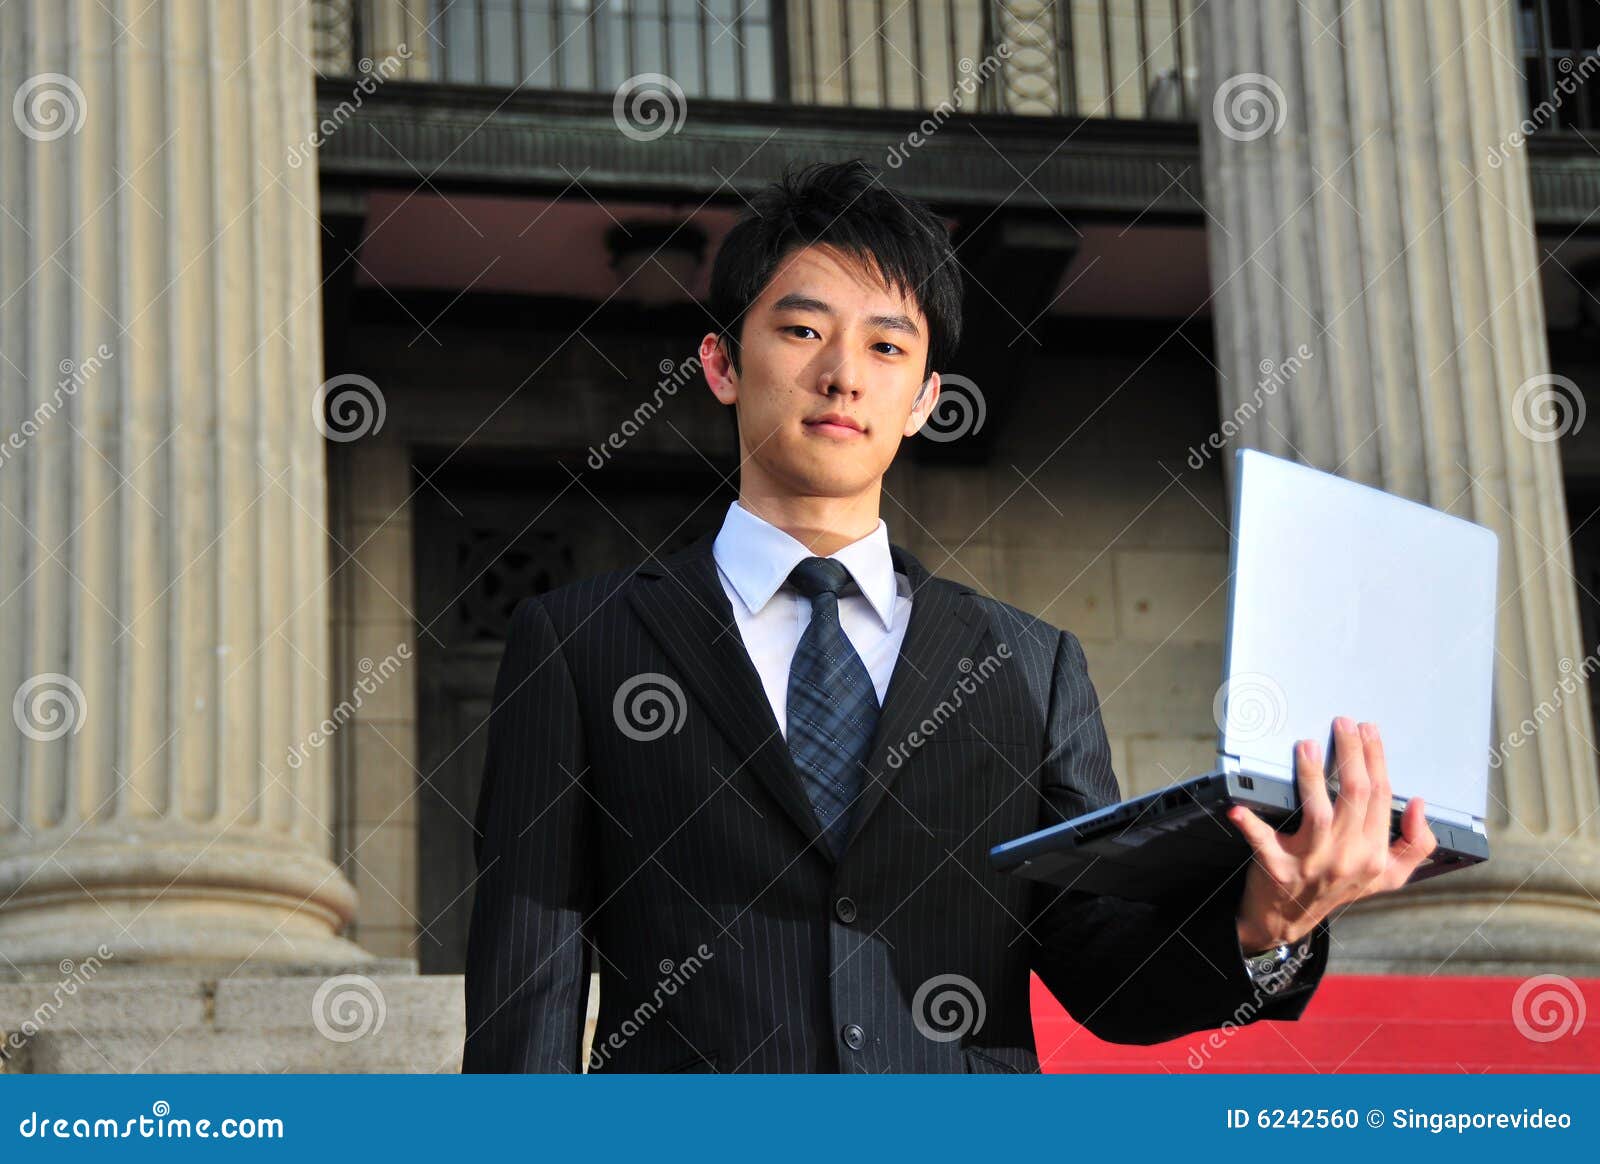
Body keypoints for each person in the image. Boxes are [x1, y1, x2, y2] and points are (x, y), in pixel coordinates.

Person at [461, 158, 1438, 1074]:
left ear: (925, 397)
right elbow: (528, 981)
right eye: (802, 331)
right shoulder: (580, 645)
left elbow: (1101, 969)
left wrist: (1264, 925)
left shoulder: (1029, 663)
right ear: (720, 364)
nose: (844, 374)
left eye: (886, 345)